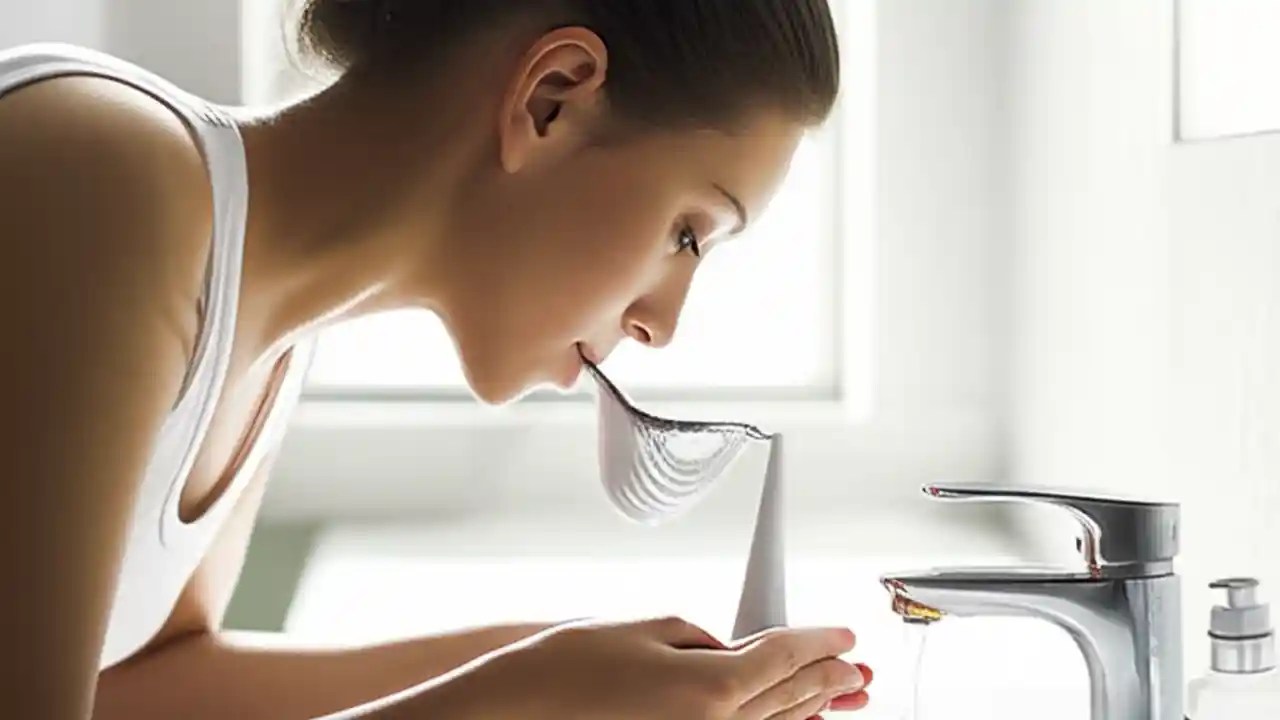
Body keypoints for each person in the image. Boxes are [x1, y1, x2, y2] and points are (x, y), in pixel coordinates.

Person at [0, 0, 874, 717]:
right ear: (551, 99)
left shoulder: (264, 333)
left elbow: (139, 686)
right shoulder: (100, 177)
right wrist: (526, 699)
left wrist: (580, 667)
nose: (662, 323)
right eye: (688, 232)